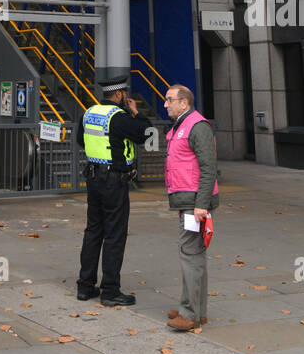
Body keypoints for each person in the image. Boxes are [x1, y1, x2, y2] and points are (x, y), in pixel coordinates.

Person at [76, 75, 153, 306]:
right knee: (114, 235)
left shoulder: (88, 113)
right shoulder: (119, 118)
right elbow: (148, 135)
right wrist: (137, 113)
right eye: (124, 95)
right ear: (119, 95)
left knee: (93, 231)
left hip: (93, 179)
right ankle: (110, 291)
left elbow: (82, 140)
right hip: (114, 182)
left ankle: (85, 286)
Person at [163, 83, 218, 332]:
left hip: (195, 203)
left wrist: (200, 205)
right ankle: (197, 309)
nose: (166, 104)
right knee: (194, 255)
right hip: (188, 201)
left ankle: (190, 313)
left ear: (184, 103)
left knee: (190, 256)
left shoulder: (197, 126)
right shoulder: (182, 126)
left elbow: (208, 168)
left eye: (169, 100)